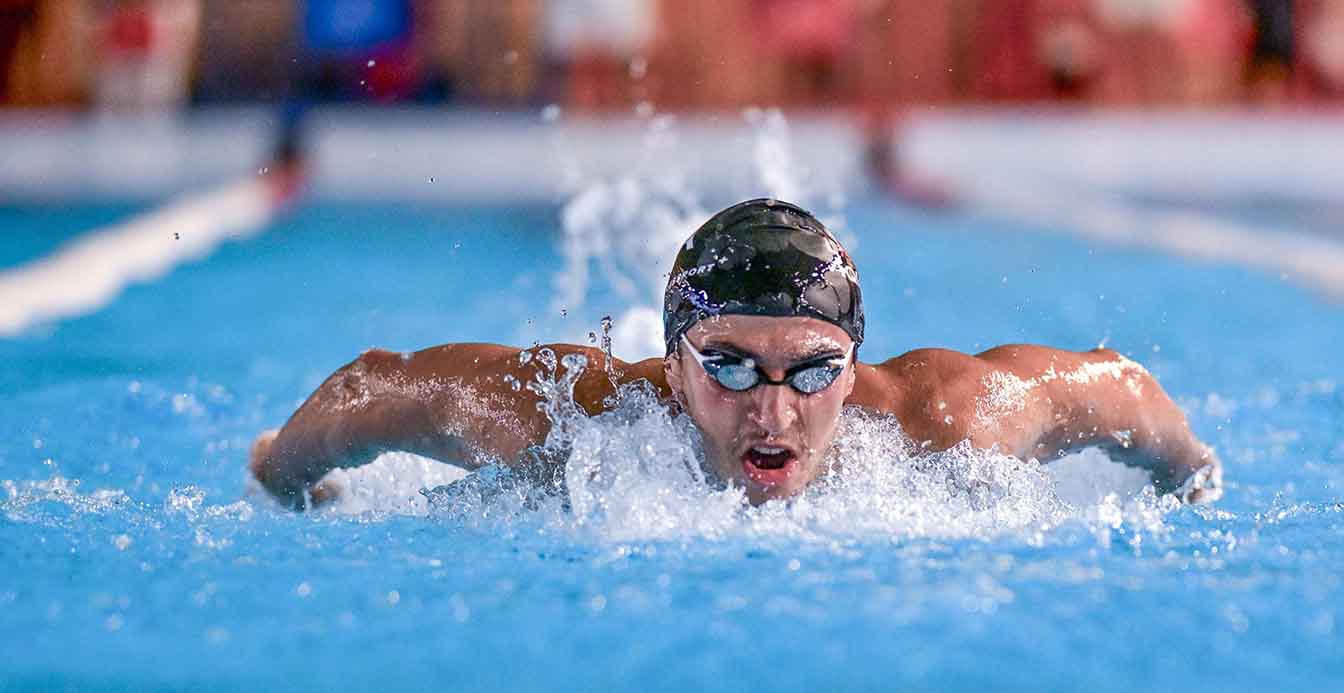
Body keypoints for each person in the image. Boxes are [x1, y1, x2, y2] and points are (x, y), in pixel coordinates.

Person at [251, 199, 1221, 508]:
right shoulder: (565, 418)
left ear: (852, 364)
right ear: (669, 362)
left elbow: (1124, 390)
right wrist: (284, 475)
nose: (772, 408)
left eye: (809, 369)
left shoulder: (950, 419)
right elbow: (372, 388)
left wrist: (1191, 475)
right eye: (725, 365)